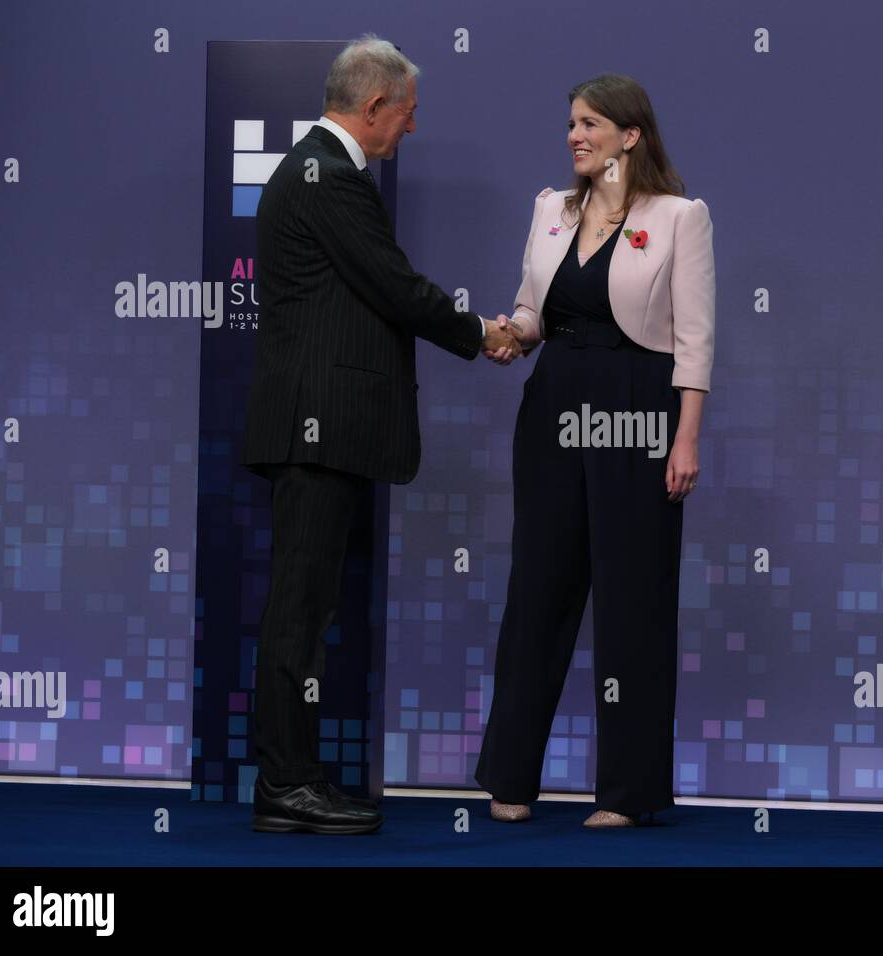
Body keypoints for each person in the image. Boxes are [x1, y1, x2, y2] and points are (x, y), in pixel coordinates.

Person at [240, 34, 520, 835]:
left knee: (306, 604)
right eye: (407, 113)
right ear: (373, 107)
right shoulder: (329, 176)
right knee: (299, 609)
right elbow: (393, 287)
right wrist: (480, 332)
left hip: (319, 428)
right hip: (315, 428)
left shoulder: (317, 171)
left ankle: (289, 781)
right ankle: (286, 784)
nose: (411, 129)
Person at [474, 73, 716, 828]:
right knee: (538, 589)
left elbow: (695, 340)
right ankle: (510, 778)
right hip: (553, 408)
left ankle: (628, 792)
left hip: (640, 413)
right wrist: (508, 335)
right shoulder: (550, 210)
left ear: (630, 136)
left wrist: (685, 438)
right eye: (571, 123)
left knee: (633, 598)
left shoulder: (681, 217)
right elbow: (532, 308)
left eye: (590, 124)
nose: (575, 136)